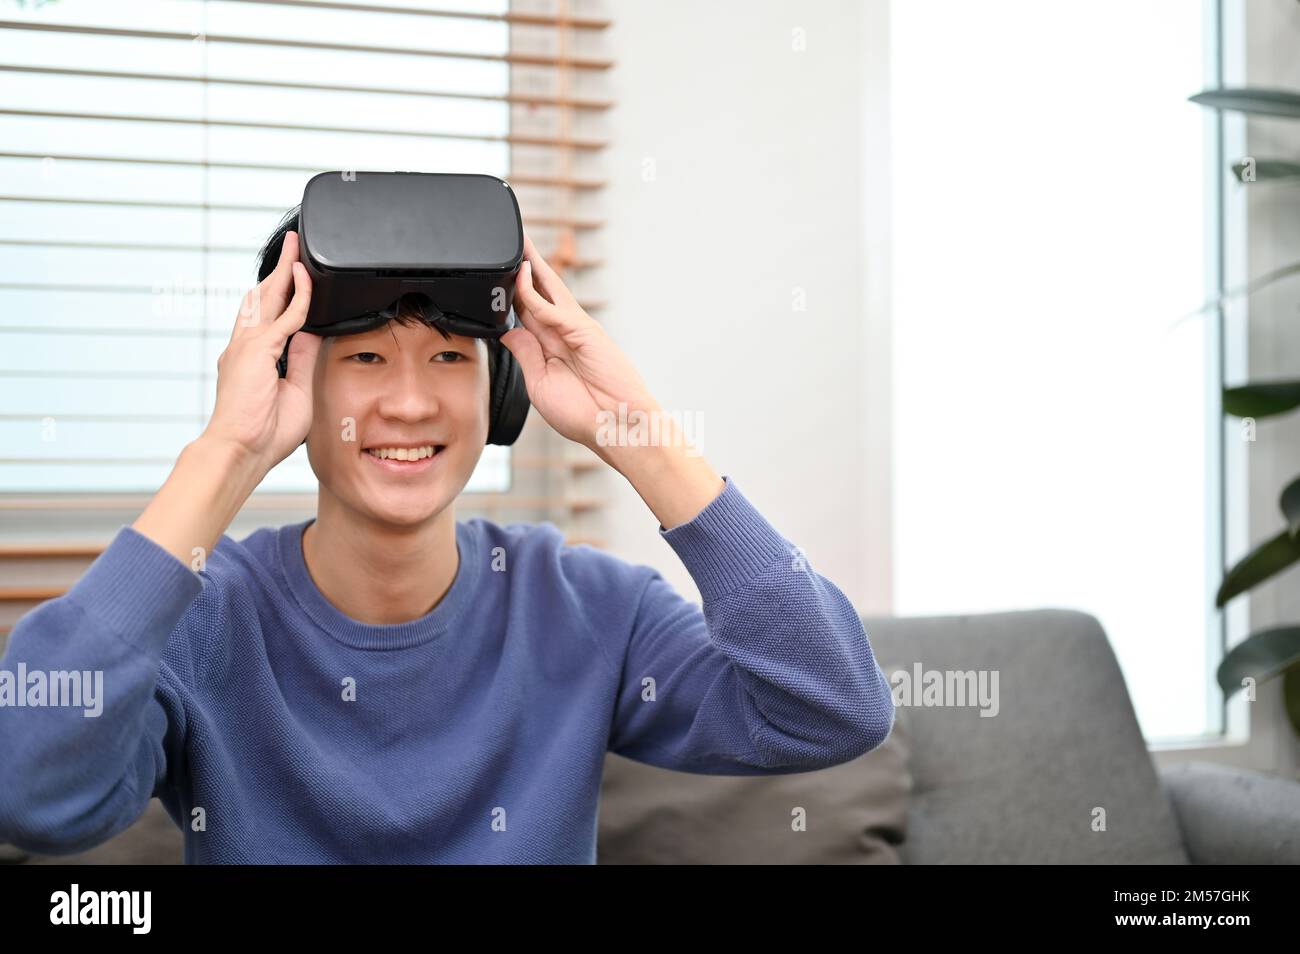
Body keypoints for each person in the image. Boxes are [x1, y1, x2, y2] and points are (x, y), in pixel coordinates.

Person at [0, 211, 896, 864]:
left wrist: (638, 431)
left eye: (447, 357)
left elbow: (830, 708)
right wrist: (224, 454)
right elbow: (29, 789)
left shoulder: (584, 608)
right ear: (291, 389)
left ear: (499, 396)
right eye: (363, 357)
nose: (410, 402)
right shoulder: (205, 621)